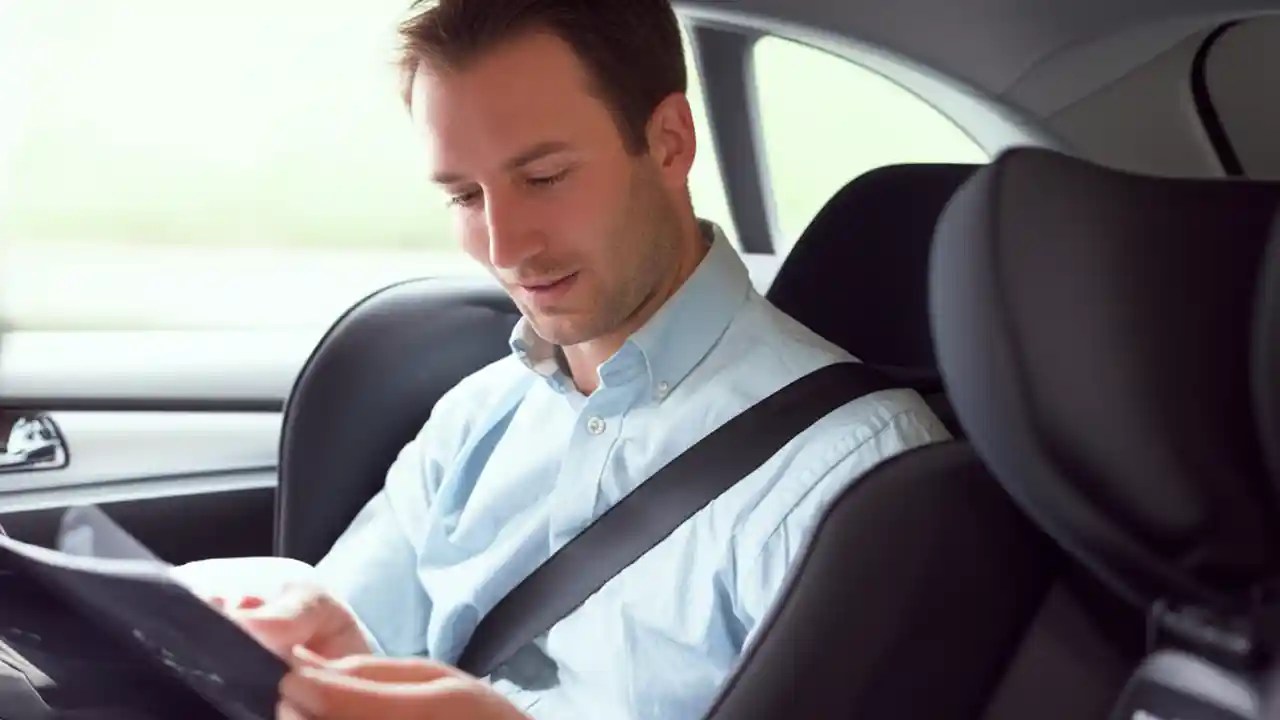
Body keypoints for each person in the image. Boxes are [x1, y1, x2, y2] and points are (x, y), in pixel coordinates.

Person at [207, 0, 952, 717]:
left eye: (544, 179)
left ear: (669, 142)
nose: (505, 248)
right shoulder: (475, 419)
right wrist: (307, 645)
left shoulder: (851, 474)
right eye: (465, 196)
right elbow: (350, 626)